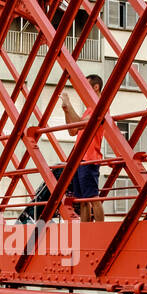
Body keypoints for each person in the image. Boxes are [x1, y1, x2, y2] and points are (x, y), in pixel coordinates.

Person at [61, 73, 106, 222]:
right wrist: (67, 110)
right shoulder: (89, 109)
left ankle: (100, 231)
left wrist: (69, 105)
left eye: (87, 86)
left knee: (93, 197)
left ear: (96, 87)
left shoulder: (99, 106)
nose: (83, 91)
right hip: (80, 158)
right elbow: (73, 130)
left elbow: (79, 124)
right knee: (82, 201)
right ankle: (86, 231)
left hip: (90, 158)